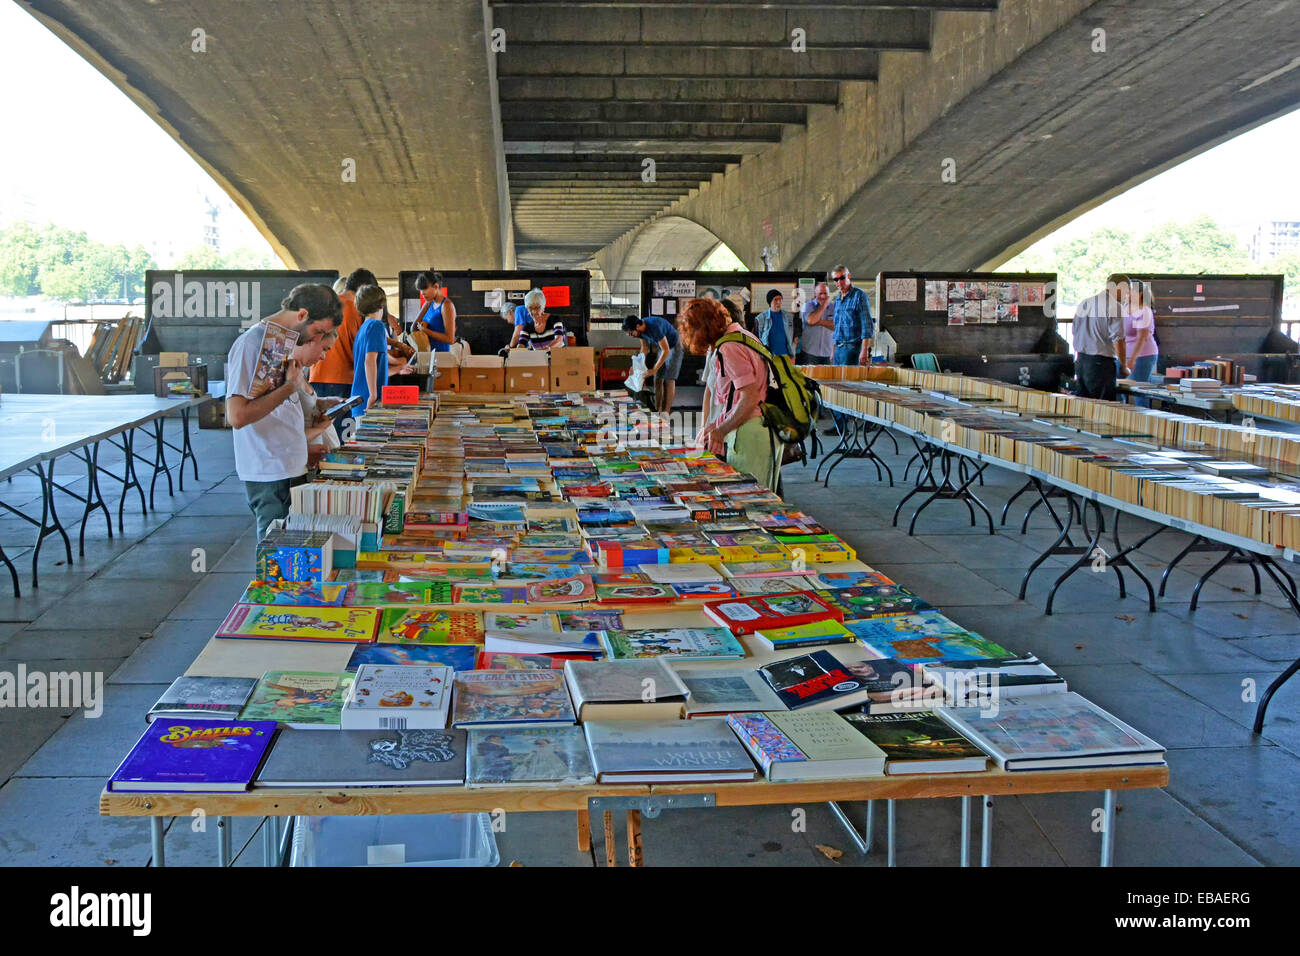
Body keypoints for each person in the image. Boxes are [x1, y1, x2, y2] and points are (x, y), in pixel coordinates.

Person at [226, 283, 343, 539]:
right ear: (302, 315)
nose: (315, 339)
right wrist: (290, 387)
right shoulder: (251, 343)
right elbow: (237, 416)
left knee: (292, 557)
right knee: (276, 561)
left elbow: (279, 412)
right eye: (318, 331)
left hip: (288, 468)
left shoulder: (280, 341)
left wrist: (301, 448)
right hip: (270, 474)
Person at [678, 297, 778, 491]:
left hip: (749, 432)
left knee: (747, 497)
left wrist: (721, 429)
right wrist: (714, 426)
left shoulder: (729, 347)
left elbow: (750, 397)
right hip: (757, 428)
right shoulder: (743, 336)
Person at [309, 267, 376, 399]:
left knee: (322, 418)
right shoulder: (355, 310)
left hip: (316, 375)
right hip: (342, 378)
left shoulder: (326, 303)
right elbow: (362, 349)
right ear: (363, 288)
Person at [1073, 277, 1132, 401]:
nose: (1127, 296)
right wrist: (1123, 366)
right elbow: (1119, 339)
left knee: (1084, 407)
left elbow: (1075, 330)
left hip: (1080, 361)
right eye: (1127, 292)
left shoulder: (1085, 303)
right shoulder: (1114, 306)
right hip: (1100, 365)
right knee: (1103, 408)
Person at [351, 284, 407, 415]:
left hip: (359, 399)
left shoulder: (363, 328)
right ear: (382, 305)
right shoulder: (377, 326)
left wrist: (399, 365)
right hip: (369, 400)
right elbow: (369, 361)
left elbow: (380, 356)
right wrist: (373, 395)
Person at [622, 313, 683, 413]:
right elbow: (644, 349)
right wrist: (635, 367)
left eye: (631, 333)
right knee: (657, 379)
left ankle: (665, 413)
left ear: (637, 326)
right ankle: (657, 410)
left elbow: (666, 350)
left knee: (669, 379)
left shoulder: (655, 327)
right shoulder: (640, 332)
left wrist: (654, 369)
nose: (631, 336)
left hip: (674, 346)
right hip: (663, 347)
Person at [1123, 281, 1158, 383]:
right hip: (1125, 355)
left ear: (1140, 294)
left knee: (1137, 390)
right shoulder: (1124, 308)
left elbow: (1142, 337)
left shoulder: (1144, 311)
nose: (1126, 294)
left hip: (1142, 355)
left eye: (1129, 292)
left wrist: (1133, 359)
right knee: (1121, 390)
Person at [413, 270, 456, 352]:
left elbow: (450, 339)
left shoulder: (446, 305)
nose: (422, 293)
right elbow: (414, 328)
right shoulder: (428, 303)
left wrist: (426, 331)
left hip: (441, 355)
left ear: (436, 286)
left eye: (425, 289)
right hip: (427, 354)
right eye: (420, 290)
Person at [754, 289, 799, 358]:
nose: (779, 302)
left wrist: (793, 353)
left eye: (780, 299)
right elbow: (756, 340)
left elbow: (795, 336)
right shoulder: (760, 319)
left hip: (786, 357)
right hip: (768, 358)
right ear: (770, 302)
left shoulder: (789, 317)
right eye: (775, 299)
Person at [799, 282, 834, 365]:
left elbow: (837, 326)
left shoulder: (834, 307)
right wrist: (824, 306)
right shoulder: (807, 306)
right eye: (820, 294)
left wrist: (818, 322)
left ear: (829, 294)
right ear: (815, 294)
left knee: (827, 378)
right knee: (810, 378)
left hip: (828, 353)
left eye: (825, 293)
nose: (823, 296)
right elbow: (811, 321)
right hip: (810, 353)